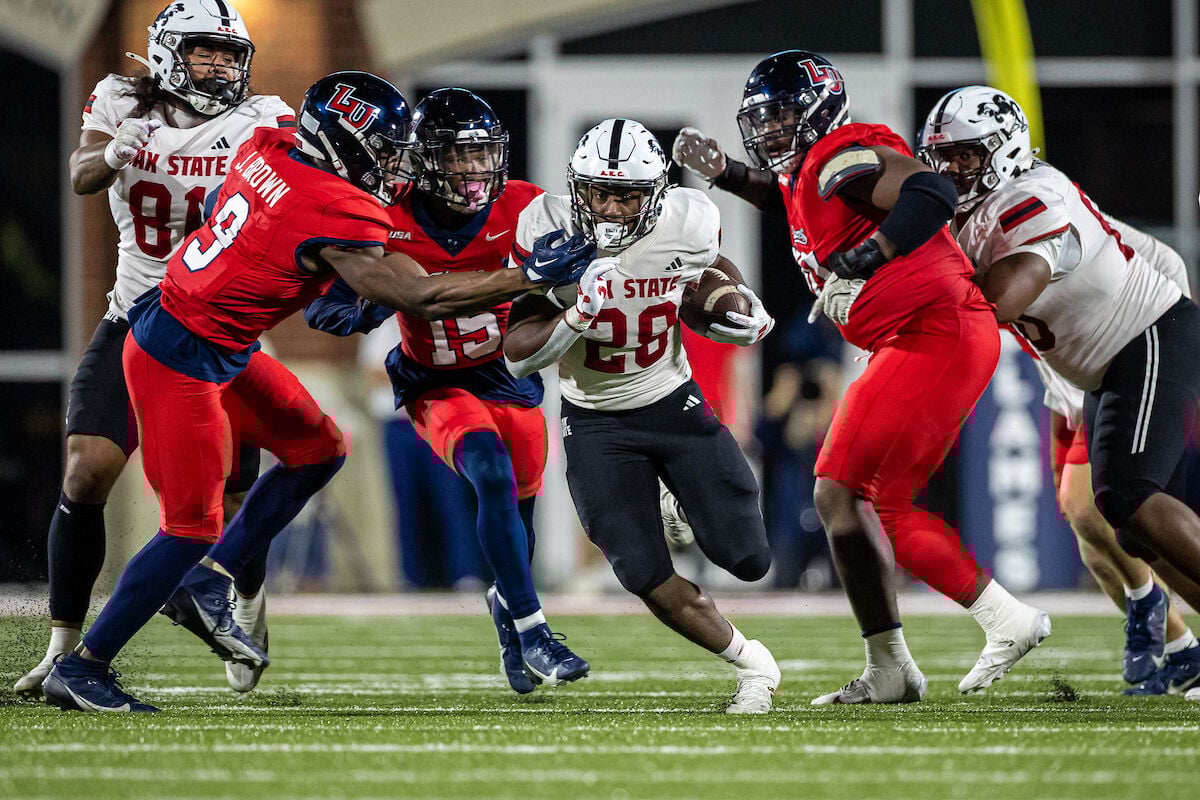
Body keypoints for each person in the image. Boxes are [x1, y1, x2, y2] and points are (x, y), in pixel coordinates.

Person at [40, 70, 592, 713]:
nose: (393, 164)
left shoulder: (270, 145)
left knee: (319, 447)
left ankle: (216, 577)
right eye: (381, 149)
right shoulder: (334, 205)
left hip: (216, 339)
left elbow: (239, 199)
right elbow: (416, 295)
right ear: (342, 145)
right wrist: (524, 276)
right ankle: (84, 664)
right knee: (190, 527)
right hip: (179, 355)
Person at [671, 51, 1051, 703]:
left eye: (783, 114)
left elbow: (931, 192)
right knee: (868, 502)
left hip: (934, 330)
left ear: (820, 111)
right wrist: (727, 173)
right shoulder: (810, 173)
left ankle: (964, 635)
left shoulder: (839, 153)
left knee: (844, 492)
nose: (770, 129)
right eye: (763, 118)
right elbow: (789, 199)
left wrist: (876, 252)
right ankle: (924, 655)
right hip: (925, 335)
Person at [14, 0, 294, 698]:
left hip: (219, 326)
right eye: (205, 51)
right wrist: (115, 150)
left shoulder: (263, 117)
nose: (220, 66)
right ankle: (61, 647)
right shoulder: (121, 99)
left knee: (232, 497)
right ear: (169, 52)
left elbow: (302, 186)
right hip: (136, 314)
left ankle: (247, 602)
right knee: (86, 471)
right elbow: (83, 174)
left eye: (230, 55)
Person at [917, 84, 1200, 696]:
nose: (952, 169)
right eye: (941, 157)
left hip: (1144, 335)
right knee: (1129, 530)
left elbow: (994, 303)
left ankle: (1175, 641)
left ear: (1003, 149)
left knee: (1126, 497)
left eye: (965, 155)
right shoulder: (966, 216)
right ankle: (1187, 647)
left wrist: (897, 307)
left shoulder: (1032, 197)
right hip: (1096, 366)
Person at [304, 87, 588, 693]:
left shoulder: (528, 205)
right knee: (488, 468)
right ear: (426, 159)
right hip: (434, 379)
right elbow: (325, 308)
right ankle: (536, 630)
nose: (473, 169)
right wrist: (367, 302)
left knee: (521, 516)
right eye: (457, 156)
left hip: (509, 377)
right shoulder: (388, 214)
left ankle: (510, 620)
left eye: (482, 154)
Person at [503, 118, 782, 714]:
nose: (609, 208)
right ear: (576, 187)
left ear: (655, 193)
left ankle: (675, 498)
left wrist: (739, 306)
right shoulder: (546, 227)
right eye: (598, 192)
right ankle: (752, 662)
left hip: (671, 399)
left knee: (749, 559)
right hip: (595, 418)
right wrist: (576, 314)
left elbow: (708, 271)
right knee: (639, 569)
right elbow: (518, 355)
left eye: (626, 195)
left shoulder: (689, 218)